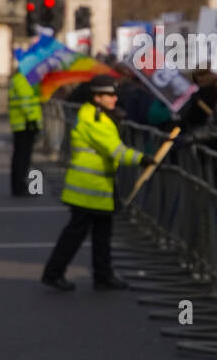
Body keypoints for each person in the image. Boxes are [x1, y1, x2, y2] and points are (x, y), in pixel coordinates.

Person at [41, 74, 151, 291]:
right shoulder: (95, 120)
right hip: (87, 189)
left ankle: (102, 275)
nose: (114, 99)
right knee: (76, 235)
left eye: (114, 95)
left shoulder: (95, 115)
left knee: (101, 234)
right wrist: (143, 159)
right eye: (109, 95)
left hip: (96, 189)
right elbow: (116, 151)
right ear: (97, 97)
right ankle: (54, 273)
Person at [8, 65, 42, 196]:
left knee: (19, 156)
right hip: (26, 124)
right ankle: (20, 186)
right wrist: (32, 119)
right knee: (23, 157)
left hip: (21, 123)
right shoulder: (23, 80)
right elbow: (26, 102)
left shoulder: (17, 79)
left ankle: (18, 186)